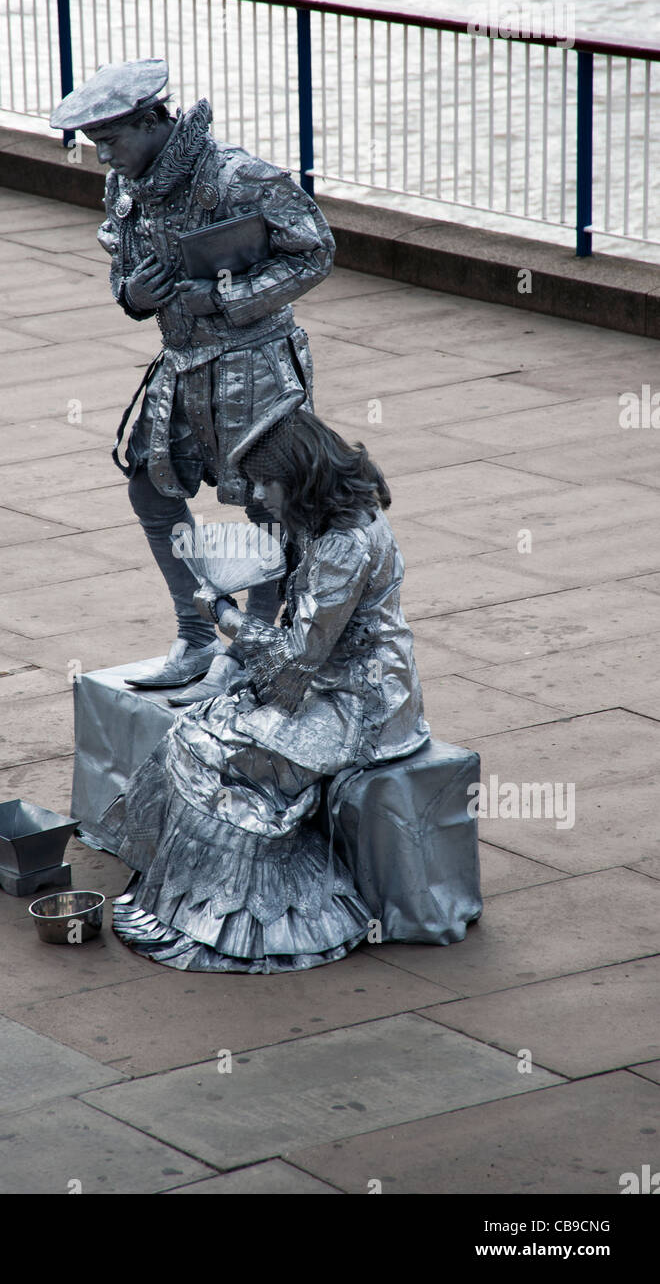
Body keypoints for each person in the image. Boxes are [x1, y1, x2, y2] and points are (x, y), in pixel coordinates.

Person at [77, 400, 432, 973]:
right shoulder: (323, 520)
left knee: (220, 754)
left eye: (266, 483)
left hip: (359, 704)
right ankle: (181, 901)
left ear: (299, 475)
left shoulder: (345, 542)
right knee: (196, 727)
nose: (258, 497)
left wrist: (228, 618)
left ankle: (240, 923)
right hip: (324, 681)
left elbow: (303, 655)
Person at [50, 58, 335, 704]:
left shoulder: (239, 176)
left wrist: (226, 296)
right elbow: (122, 262)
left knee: (270, 502)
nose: (104, 160)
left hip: (254, 362)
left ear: (152, 122)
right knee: (150, 490)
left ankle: (256, 645)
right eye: (98, 147)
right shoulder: (126, 186)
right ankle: (196, 632)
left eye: (113, 142)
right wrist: (132, 292)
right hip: (181, 363)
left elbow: (316, 249)